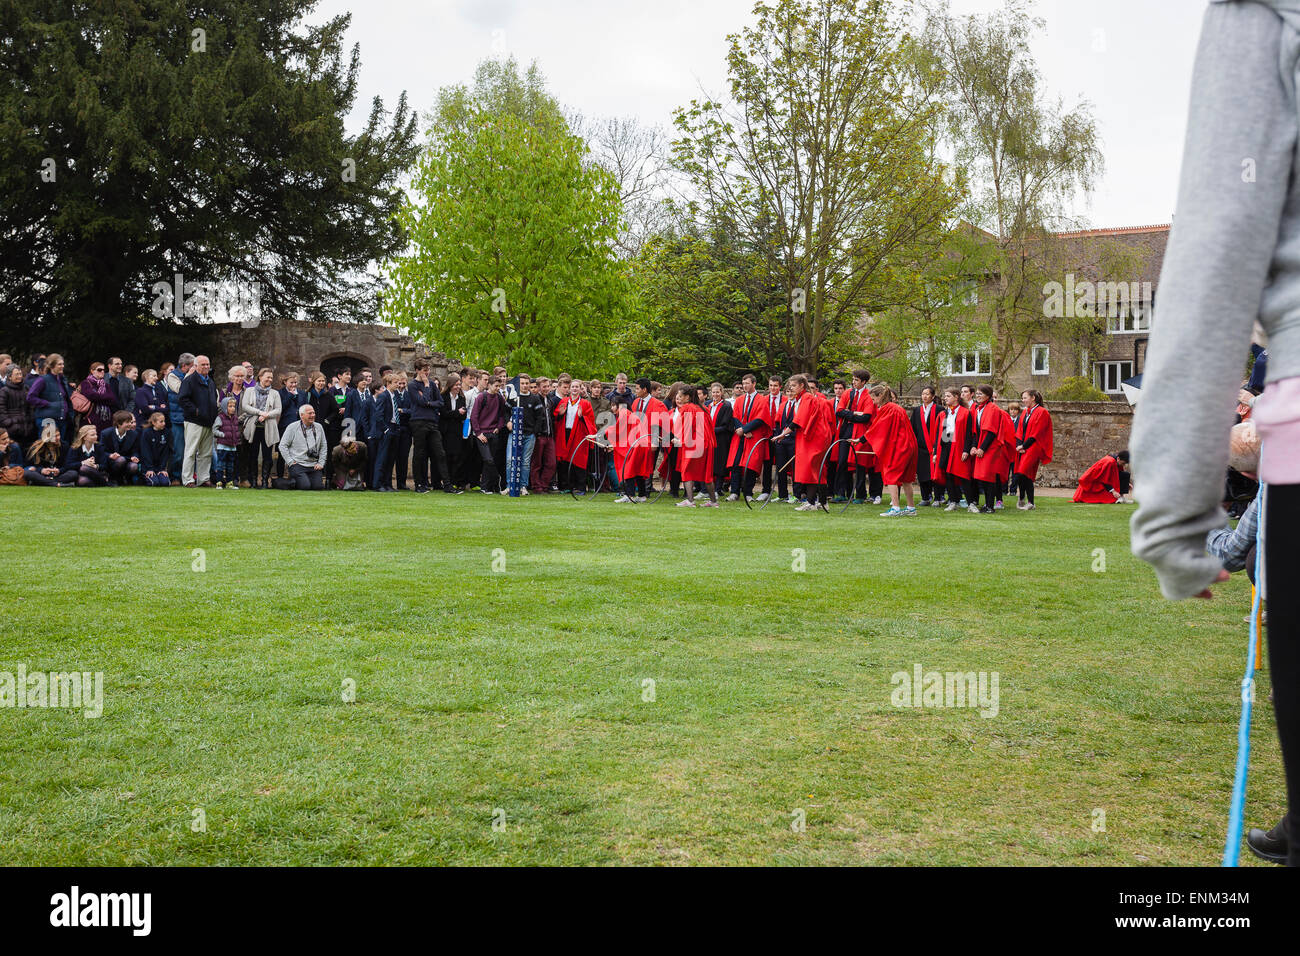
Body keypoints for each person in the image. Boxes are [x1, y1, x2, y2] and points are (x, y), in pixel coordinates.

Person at [777, 374, 834, 511]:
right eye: (791, 385)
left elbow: (799, 420)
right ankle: (818, 502)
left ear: (802, 385)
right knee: (813, 469)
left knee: (813, 468)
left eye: (794, 385)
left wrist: (783, 434)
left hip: (815, 437)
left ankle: (812, 502)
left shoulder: (806, 398)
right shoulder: (801, 398)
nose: (791, 388)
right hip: (809, 437)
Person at [865, 385, 918, 516]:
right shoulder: (897, 408)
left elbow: (877, 429)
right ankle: (911, 508)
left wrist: (861, 439)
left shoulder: (888, 409)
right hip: (909, 445)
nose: (873, 402)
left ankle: (895, 507)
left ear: (880, 396)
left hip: (900, 446)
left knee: (890, 475)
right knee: (906, 479)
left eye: (873, 399)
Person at [408, 358, 454, 493]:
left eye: (428, 370)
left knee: (440, 453)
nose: (427, 373)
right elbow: (422, 401)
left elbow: (440, 403)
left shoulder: (434, 385)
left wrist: (428, 402)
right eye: (424, 370)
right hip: (418, 422)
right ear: (417, 370)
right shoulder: (413, 386)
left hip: (432, 423)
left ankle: (447, 484)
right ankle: (419, 484)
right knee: (419, 454)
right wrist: (427, 386)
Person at [726, 373, 772, 502]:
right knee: (736, 464)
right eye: (743, 383)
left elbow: (761, 418)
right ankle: (734, 492)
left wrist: (746, 429)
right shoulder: (740, 400)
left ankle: (748, 492)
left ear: (754, 384)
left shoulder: (762, 400)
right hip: (740, 437)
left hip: (754, 436)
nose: (745, 386)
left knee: (750, 465)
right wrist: (742, 430)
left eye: (747, 383)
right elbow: (735, 416)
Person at [970, 385, 1015, 513]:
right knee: (982, 477)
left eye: (981, 394)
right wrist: (974, 446)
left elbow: (991, 432)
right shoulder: (978, 409)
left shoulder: (992, 409)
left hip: (991, 447)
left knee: (989, 477)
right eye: (977, 394)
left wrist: (982, 448)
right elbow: (975, 431)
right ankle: (987, 504)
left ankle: (990, 506)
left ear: (988, 396)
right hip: (981, 446)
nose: (978, 396)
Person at [671, 386, 719, 507]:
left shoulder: (687, 408)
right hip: (707, 444)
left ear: (687, 397)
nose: (679, 399)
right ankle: (713, 502)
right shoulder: (703, 408)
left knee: (687, 470)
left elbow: (686, 429)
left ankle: (690, 501)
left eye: (681, 396)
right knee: (707, 474)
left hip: (694, 443)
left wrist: (680, 441)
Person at [178, 354, 220, 487]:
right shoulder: (189, 380)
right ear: (195, 366)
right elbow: (183, 399)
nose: (206, 367)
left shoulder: (210, 382)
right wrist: (196, 411)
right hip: (194, 422)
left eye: (208, 364)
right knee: (190, 452)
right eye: (203, 364)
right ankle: (188, 479)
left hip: (208, 422)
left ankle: (203, 479)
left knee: (206, 453)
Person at [935, 387, 977, 512]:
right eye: (945, 396)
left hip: (960, 447)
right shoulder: (945, 412)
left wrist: (966, 450)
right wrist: (937, 451)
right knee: (948, 475)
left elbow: (970, 433)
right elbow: (943, 433)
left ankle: (971, 503)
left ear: (956, 397)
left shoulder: (965, 412)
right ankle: (953, 501)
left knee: (963, 475)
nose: (945, 398)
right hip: (947, 446)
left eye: (948, 396)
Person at [553, 375, 595, 494]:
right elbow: (557, 417)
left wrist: (582, 417)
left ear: (581, 389)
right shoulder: (564, 401)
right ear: (570, 389)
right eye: (573, 387)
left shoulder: (585, 403)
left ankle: (580, 487)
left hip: (579, 433)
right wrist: (560, 414)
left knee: (579, 460)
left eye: (577, 387)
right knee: (564, 460)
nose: (575, 389)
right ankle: (566, 486)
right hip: (565, 433)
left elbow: (590, 421)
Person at [1013, 389, 1054, 510]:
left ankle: (1030, 502)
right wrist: (1019, 445)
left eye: (1025, 398)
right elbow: (1020, 430)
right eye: (1022, 398)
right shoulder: (1025, 412)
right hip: (1023, 447)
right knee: (1021, 474)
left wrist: (1024, 446)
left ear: (1033, 398)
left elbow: (1037, 433)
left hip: (1034, 446)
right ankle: (1023, 499)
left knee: (1025, 473)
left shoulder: (1042, 412)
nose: (1023, 400)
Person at [240, 368, 281, 488]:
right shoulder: (249, 390)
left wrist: (267, 415)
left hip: (268, 427)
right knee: (252, 454)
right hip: (253, 427)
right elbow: (245, 406)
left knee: (267, 455)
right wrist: (259, 412)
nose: (269, 379)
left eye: (271, 378)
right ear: (260, 377)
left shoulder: (275, 393)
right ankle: (252, 481)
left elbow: (278, 409)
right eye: (267, 377)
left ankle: (264, 481)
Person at [470, 374, 510, 494]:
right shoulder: (481, 397)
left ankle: (485, 486)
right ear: (489, 385)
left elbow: (503, 415)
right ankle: (496, 482)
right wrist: (478, 433)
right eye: (496, 386)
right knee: (488, 459)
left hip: (493, 433)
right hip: (482, 433)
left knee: (491, 460)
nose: (498, 388)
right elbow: (474, 416)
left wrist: (498, 427)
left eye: (499, 386)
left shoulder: (499, 398)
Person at [371, 372, 407, 492]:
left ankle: (388, 484)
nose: (398, 385)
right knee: (382, 457)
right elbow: (378, 415)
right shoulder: (383, 396)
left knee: (391, 458)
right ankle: (378, 484)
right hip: (386, 429)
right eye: (396, 383)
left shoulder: (394, 395)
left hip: (395, 428)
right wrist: (385, 429)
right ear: (388, 383)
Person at [278, 404, 327, 490]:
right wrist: (290, 461)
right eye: (309, 413)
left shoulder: (319, 427)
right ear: (301, 415)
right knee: (305, 486)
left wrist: (321, 463)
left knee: (318, 487)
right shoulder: (292, 427)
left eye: (313, 413)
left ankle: (300, 480)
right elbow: (282, 445)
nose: (313, 415)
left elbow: (323, 446)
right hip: (297, 464)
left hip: (313, 464)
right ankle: (280, 482)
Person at [25, 353, 71, 442]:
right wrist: (46, 403)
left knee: (59, 448)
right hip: (47, 420)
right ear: (52, 366)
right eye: (60, 364)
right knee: (47, 447)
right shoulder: (42, 380)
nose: (62, 366)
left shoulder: (62, 379)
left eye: (63, 364)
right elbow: (30, 397)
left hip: (61, 420)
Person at [910, 386, 943, 507]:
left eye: (927, 394)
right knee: (923, 474)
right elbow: (912, 428)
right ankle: (925, 497)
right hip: (921, 447)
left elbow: (945, 430)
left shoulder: (940, 409)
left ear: (933, 396)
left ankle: (938, 498)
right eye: (923, 394)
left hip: (936, 448)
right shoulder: (917, 410)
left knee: (936, 475)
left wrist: (939, 446)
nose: (924, 396)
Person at [164, 353, 193, 482]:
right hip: (178, 418)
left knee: (192, 451)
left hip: (192, 417)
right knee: (179, 451)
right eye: (192, 366)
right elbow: (181, 390)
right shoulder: (173, 375)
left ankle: (189, 476)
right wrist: (189, 375)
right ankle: (175, 476)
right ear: (184, 366)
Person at [440, 373, 472, 491]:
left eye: (459, 385)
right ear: (450, 385)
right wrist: (457, 413)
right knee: (447, 456)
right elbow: (443, 414)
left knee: (458, 457)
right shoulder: (443, 397)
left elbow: (462, 416)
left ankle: (455, 481)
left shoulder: (462, 398)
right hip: (446, 431)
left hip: (458, 431)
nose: (458, 387)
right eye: (456, 385)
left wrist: (459, 414)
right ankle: (447, 481)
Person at [529, 376, 558, 493]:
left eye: (548, 386)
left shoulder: (550, 401)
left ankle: (544, 484)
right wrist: (535, 432)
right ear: (539, 387)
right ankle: (537, 486)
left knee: (551, 463)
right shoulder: (535, 399)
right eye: (544, 386)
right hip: (539, 435)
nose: (546, 388)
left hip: (549, 435)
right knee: (536, 463)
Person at [78, 360, 120, 435]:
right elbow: (92, 396)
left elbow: (113, 400)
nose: (102, 372)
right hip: (90, 419)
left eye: (104, 370)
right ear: (92, 371)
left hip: (106, 420)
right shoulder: (86, 383)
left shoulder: (106, 385)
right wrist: (105, 398)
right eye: (99, 370)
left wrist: (99, 397)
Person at [99, 410, 140, 485]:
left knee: (134, 466)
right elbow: (101, 452)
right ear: (119, 423)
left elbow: (135, 450)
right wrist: (110, 455)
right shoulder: (106, 433)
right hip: (111, 463)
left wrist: (135, 456)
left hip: (127, 460)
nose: (130, 424)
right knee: (120, 460)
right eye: (127, 422)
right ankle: (113, 479)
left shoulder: (134, 434)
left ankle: (127, 479)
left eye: (130, 422)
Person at [0, 364, 34, 448]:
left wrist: (31, 422)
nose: (19, 376)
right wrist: (11, 424)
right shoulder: (4, 391)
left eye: (20, 374)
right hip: (13, 431)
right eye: (16, 374)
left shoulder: (26, 388)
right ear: (9, 377)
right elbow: (1, 410)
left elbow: (31, 407)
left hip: (28, 429)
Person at [138, 411, 173, 486]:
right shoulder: (146, 433)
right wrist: (149, 468)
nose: (164, 423)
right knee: (154, 483)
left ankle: (159, 474)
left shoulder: (167, 433)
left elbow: (166, 452)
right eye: (161, 422)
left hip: (160, 467)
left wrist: (163, 469)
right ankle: (142, 478)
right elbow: (145, 452)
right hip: (148, 467)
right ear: (154, 423)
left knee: (165, 483)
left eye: (164, 421)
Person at [213, 395, 241, 488]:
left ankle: (229, 483)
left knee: (230, 466)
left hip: (232, 447)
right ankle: (219, 482)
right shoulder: (220, 418)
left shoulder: (235, 419)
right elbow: (214, 430)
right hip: (222, 446)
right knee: (221, 465)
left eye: (234, 406)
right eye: (230, 406)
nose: (232, 409)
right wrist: (223, 435)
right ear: (225, 407)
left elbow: (236, 430)